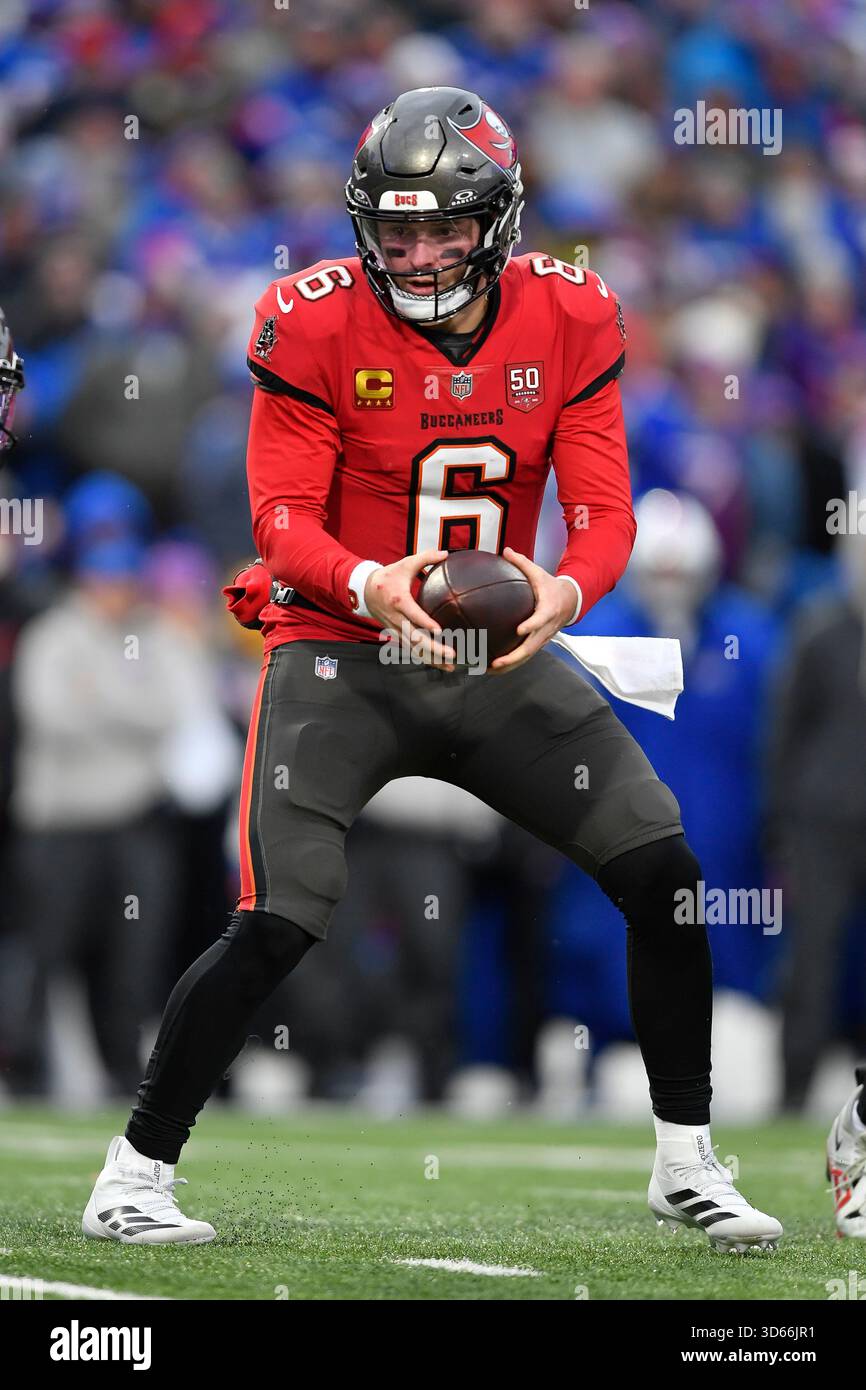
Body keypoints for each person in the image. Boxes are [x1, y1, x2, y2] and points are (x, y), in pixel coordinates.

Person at [83, 87, 781, 1251]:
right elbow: (281, 517)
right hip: (341, 644)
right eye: (394, 228)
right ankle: (135, 1170)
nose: (414, 251)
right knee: (280, 917)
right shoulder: (307, 321)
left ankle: (681, 1158)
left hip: (487, 651)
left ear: (496, 221)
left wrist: (562, 591)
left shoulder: (569, 313)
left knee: (662, 865)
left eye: (441, 227)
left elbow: (604, 511)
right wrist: (373, 585)